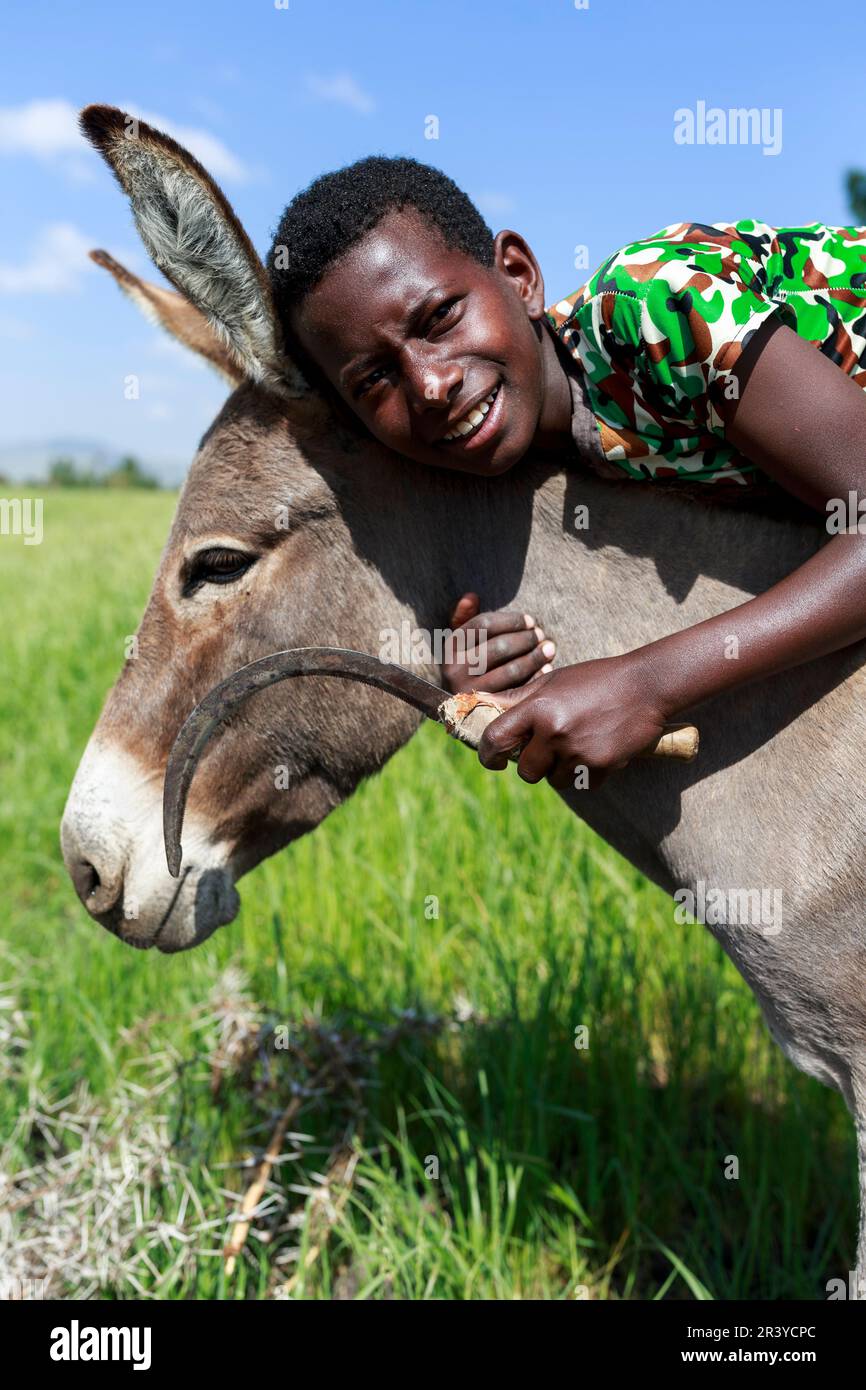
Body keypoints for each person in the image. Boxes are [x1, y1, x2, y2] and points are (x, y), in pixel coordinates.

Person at [267, 156, 866, 788]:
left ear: (520, 276)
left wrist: (645, 686)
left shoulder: (656, 309)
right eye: (374, 379)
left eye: (440, 317)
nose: (431, 385)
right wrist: (487, 675)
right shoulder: (508, 453)